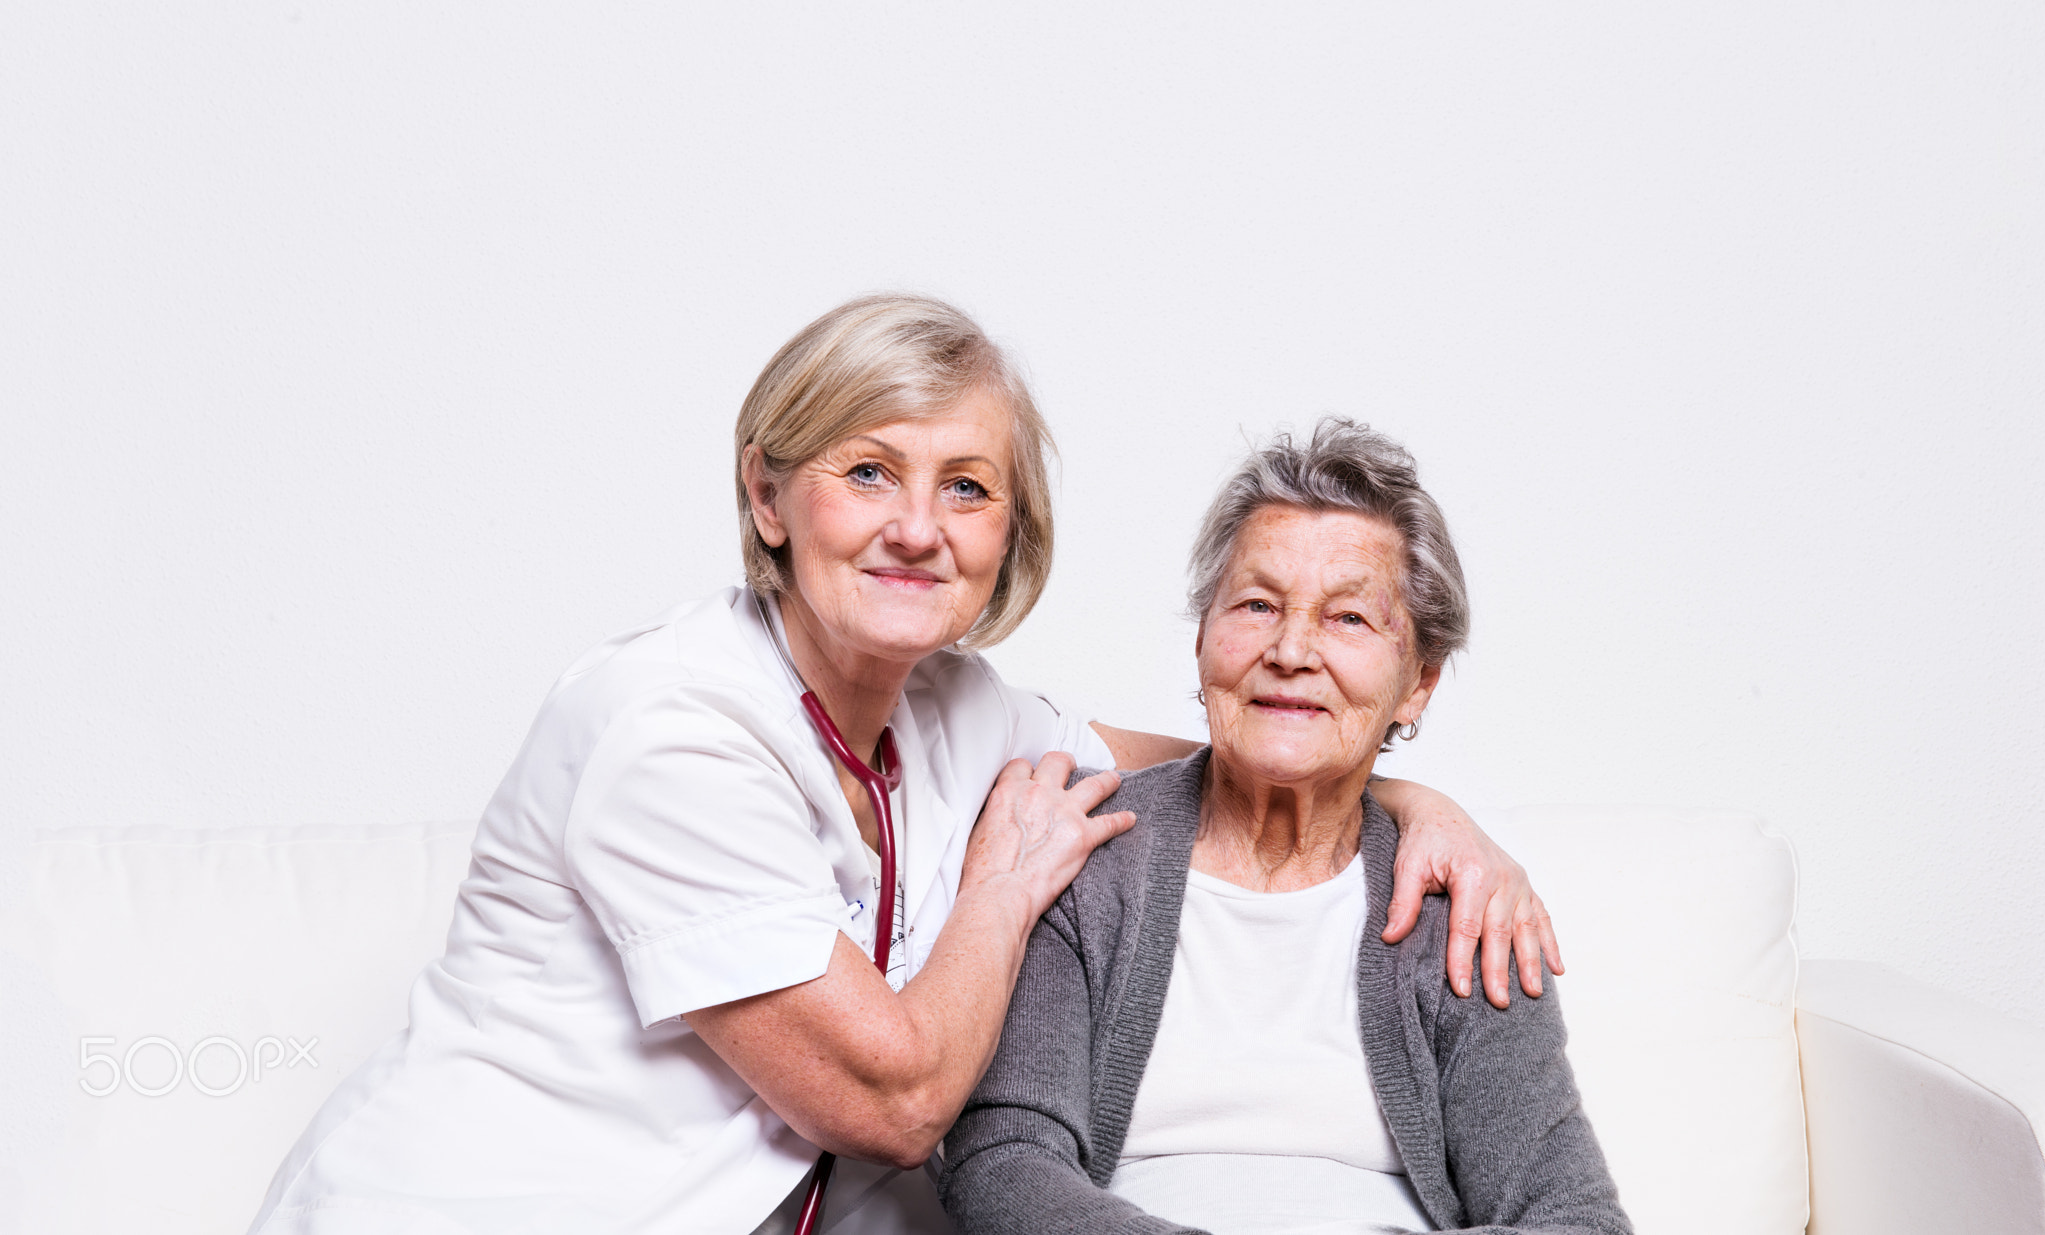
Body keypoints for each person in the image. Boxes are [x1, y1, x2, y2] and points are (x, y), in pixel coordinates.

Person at [248, 298, 1559, 1235]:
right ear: (770, 496)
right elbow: (899, 1094)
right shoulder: (662, 727)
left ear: (1011, 531)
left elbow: (1238, 743)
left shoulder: (959, 709)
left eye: (970, 487)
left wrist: (1408, 798)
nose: (919, 529)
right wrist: (998, 888)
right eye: (868, 470)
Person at [940, 419, 1630, 1235]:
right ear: (1203, 639)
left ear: (1419, 683)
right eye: (1258, 603)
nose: (1291, 649)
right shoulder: (1077, 844)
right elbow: (1004, 1161)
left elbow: (1575, 1218)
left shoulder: (1466, 906)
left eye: (1348, 619)